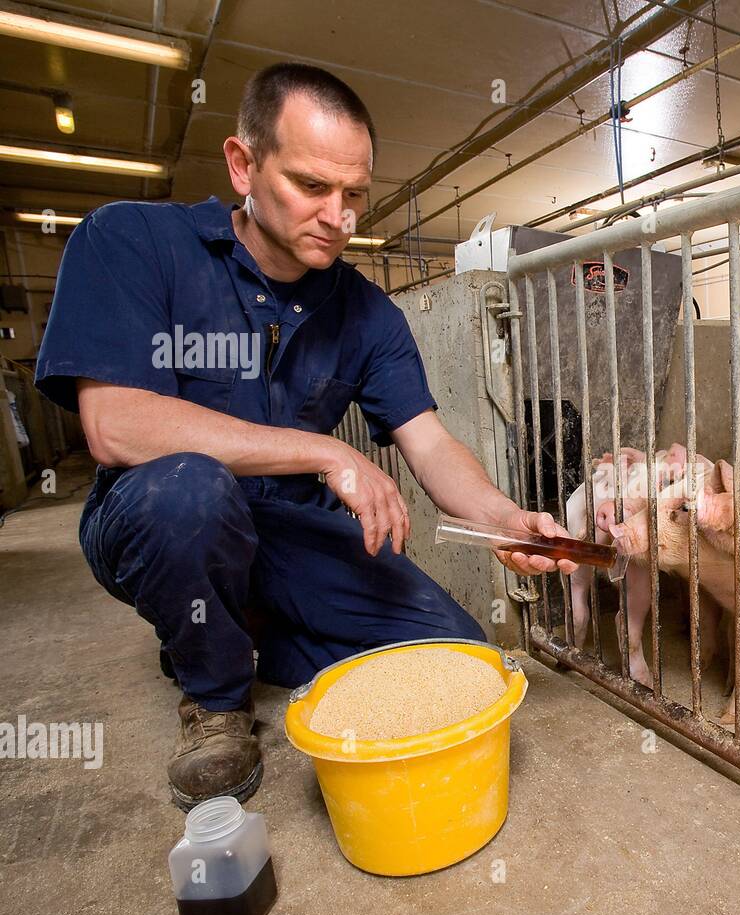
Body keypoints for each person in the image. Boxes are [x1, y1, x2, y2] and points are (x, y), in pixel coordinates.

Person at [35, 63, 575, 810]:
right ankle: (216, 698)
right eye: (312, 186)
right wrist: (328, 451)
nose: (340, 216)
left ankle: (241, 626)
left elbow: (428, 442)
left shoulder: (367, 313)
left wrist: (503, 517)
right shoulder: (132, 240)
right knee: (191, 492)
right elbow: (114, 424)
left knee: (457, 653)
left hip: (289, 527)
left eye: (355, 193)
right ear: (243, 164)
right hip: (159, 514)